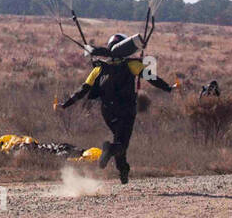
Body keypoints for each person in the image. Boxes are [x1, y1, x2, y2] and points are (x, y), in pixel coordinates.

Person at [56, 33, 175, 184]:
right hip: (126, 110)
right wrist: (169, 88)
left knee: (119, 138)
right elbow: (153, 79)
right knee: (121, 144)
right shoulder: (131, 65)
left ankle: (123, 170)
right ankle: (109, 150)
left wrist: (65, 104)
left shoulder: (99, 69)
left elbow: (83, 90)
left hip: (107, 112)